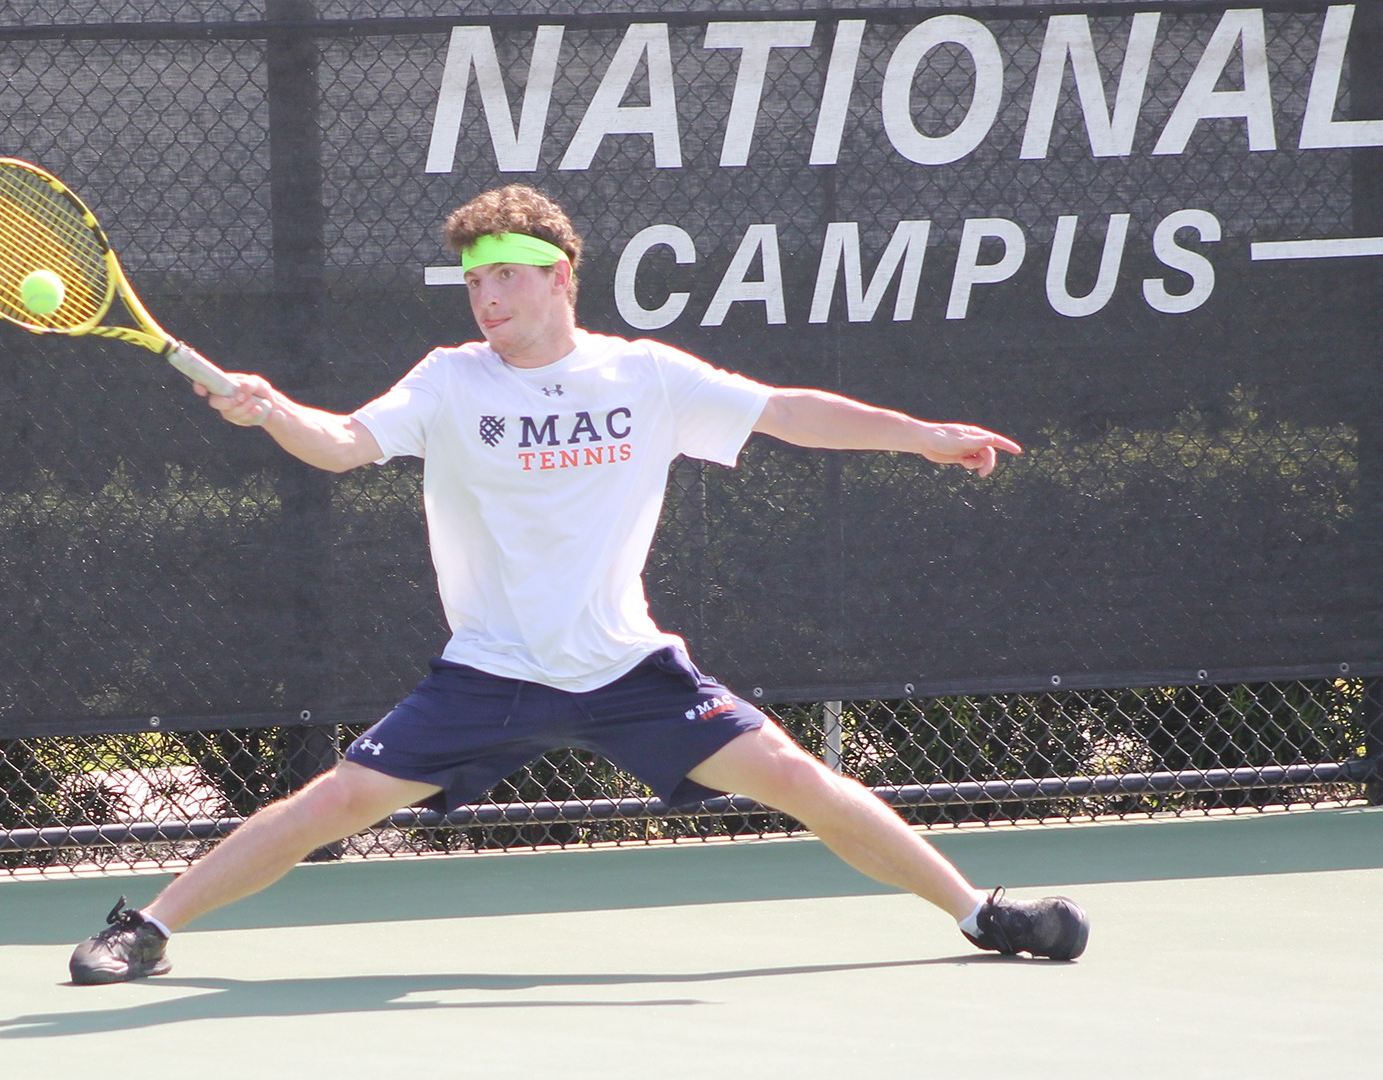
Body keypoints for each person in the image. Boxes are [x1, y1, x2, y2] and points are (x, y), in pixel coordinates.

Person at [69, 184, 1088, 984]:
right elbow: (342, 445)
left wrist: (923, 438)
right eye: (474, 282)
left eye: (507, 275)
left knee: (800, 781)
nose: (489, 297)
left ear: (561, 277)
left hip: (622, 668)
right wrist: (274, 411)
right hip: (491, 673)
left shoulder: (643, 377)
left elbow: (785, 409)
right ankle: (146, 928)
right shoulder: (449, 379)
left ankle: (981, 913)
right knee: (333, 801)